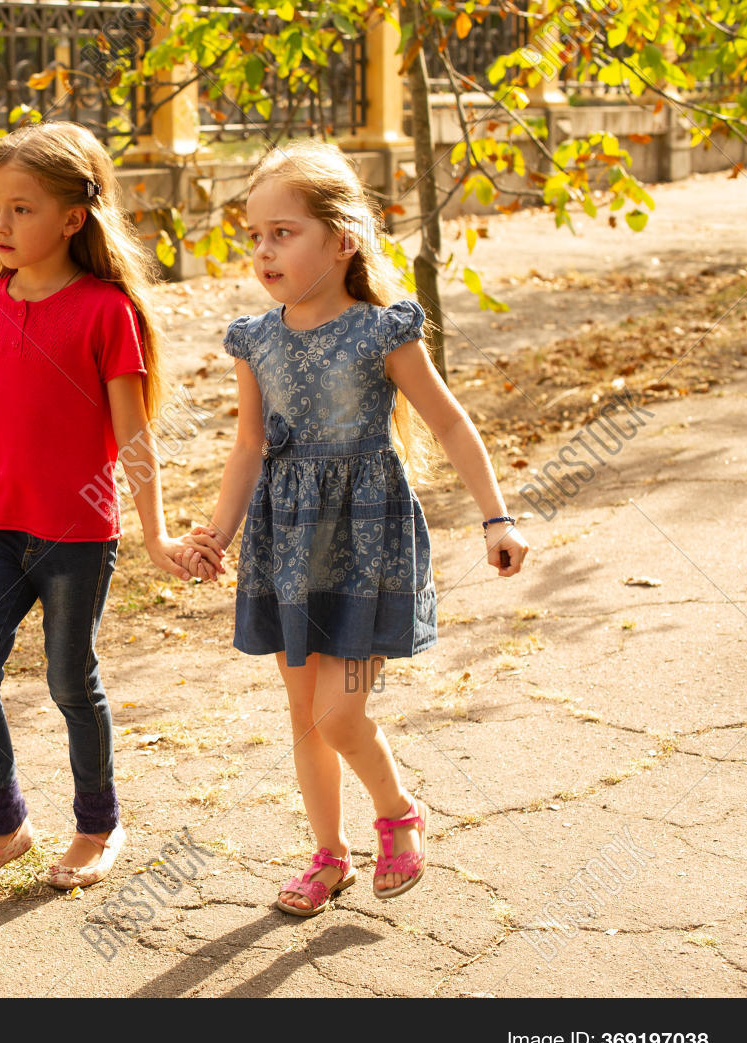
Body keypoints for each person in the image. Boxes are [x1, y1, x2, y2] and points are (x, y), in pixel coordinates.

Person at [182, 141, 530, 916]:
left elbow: (447, 422)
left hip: (368, 537)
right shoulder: (255, 337)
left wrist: (495, 517)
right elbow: (248, 447)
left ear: (343, 241)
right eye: (255, 236)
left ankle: (398, 812)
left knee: (340, 713)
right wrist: (217, 533)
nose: (264, 251)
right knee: (304, 716)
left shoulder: (381, 330)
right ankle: (328, 855)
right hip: (287, 539)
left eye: (284, 232)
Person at [0, 121, 194, 898]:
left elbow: (134, 434)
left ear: (72, 219)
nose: (2, 226)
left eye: (22, 209)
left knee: (69, 679)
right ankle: (3, 826)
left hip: (77, 534)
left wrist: (155, 532)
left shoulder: (103, 311)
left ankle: (97, 826)